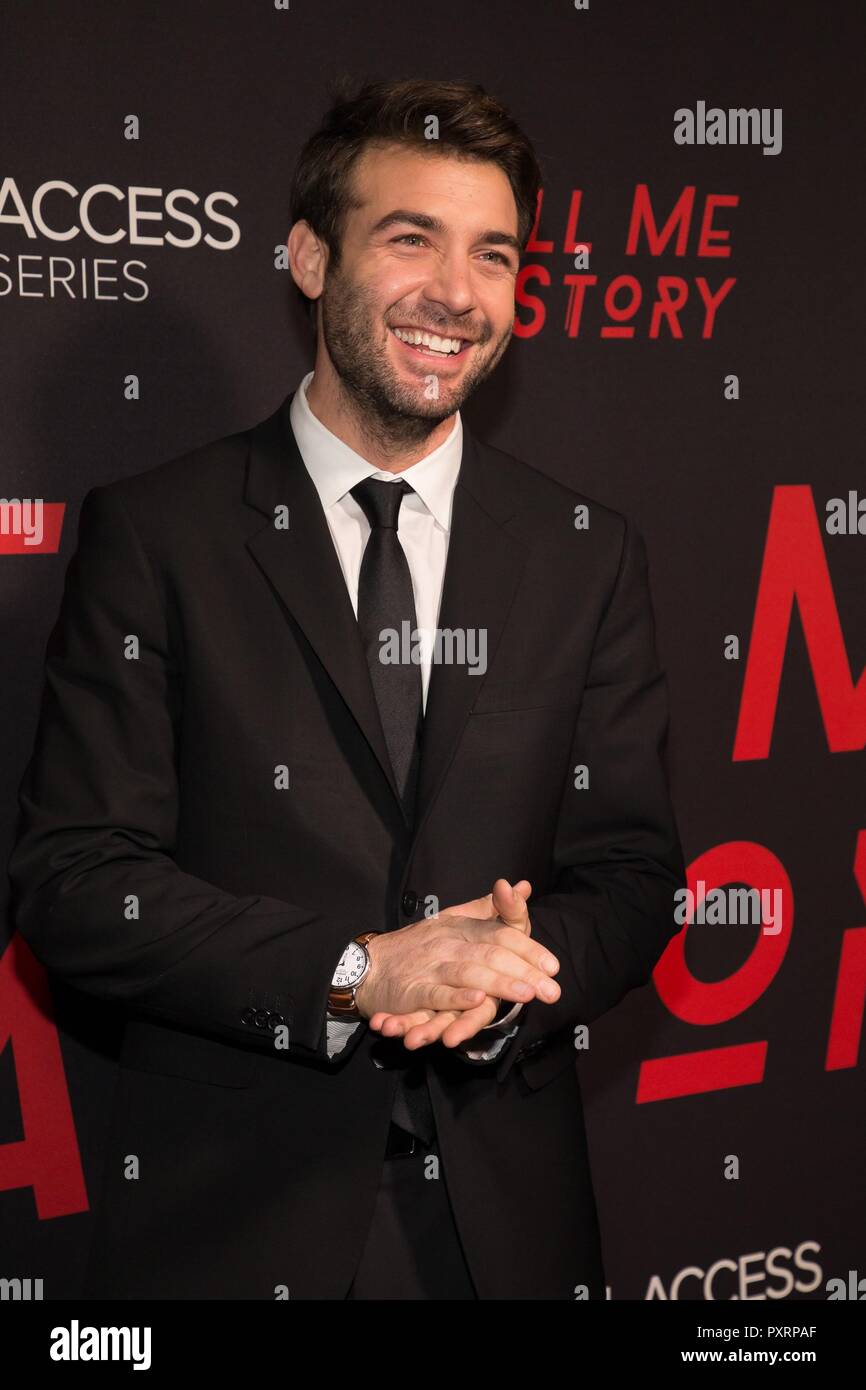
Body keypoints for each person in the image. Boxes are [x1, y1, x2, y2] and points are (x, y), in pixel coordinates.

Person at [8, 77, 686, 1300]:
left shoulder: (585, 549)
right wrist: (353, 970)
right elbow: (74, 880)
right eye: (409, 237)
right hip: (227, 1222)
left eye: (493, 254)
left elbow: (632, 872)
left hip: (508, 1231)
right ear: (310, 258)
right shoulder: (157, 534)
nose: (455, 294)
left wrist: (498, 986)